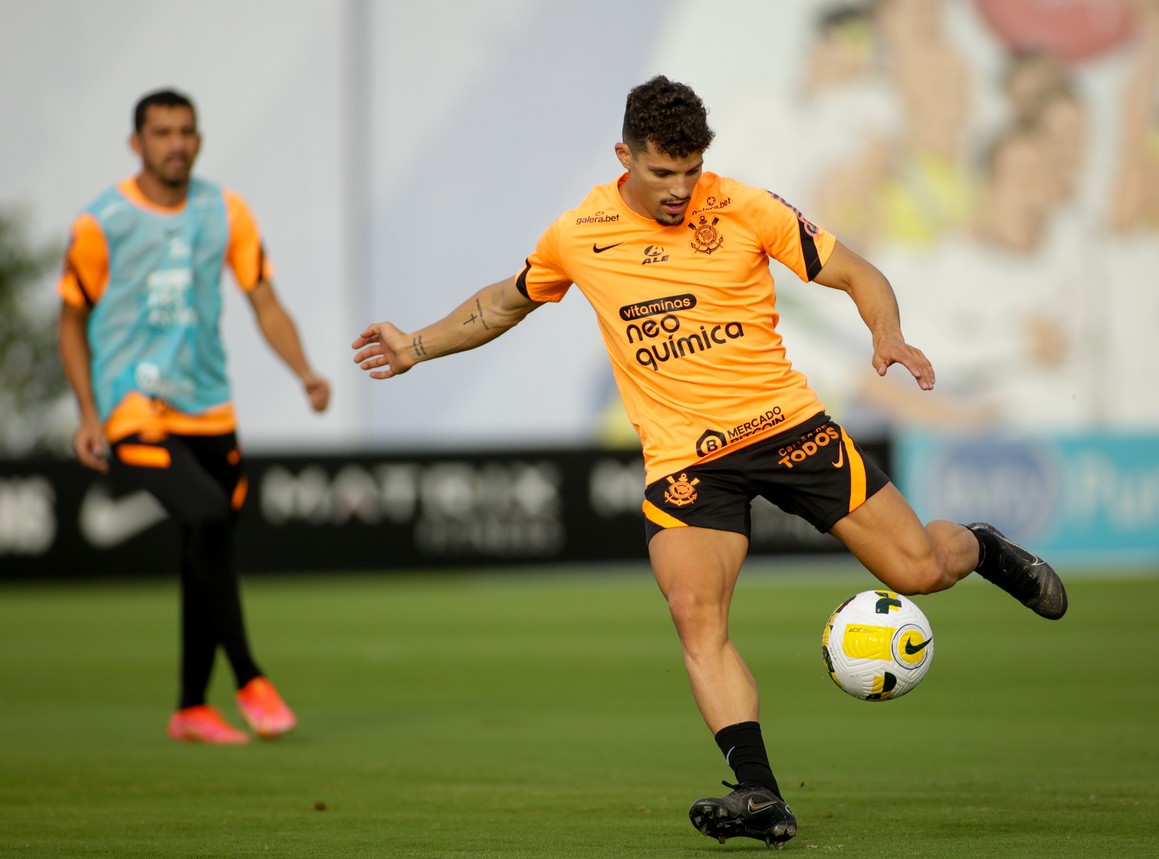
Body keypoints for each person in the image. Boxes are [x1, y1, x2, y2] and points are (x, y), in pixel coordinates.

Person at [352, 76, 1066, 848]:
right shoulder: (579, 233)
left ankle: (981, 544)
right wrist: (415, 345)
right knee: (694, 611)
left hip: (788, 428)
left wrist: (886, 332)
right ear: (624, 156)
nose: (680, 189)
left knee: (920, 569)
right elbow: (504, 301)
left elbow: (859, 273)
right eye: (663, 171)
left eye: (691, 170)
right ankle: (760, 793)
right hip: (686, 462)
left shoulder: (744, 207)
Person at [57, 89, 331, 745]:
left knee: (207, 546)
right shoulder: (102, 222)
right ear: (137, 143)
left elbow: (264, 300)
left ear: (199, 141)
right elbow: (70, 321)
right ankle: (249, 677)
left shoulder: (225, 210)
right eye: (161, 133)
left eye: (185, 132)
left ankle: (190, 708)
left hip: (209, 407)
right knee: (207, 516)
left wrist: (304, 371)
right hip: (133, 407)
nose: (175, 144)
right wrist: (88, 412)